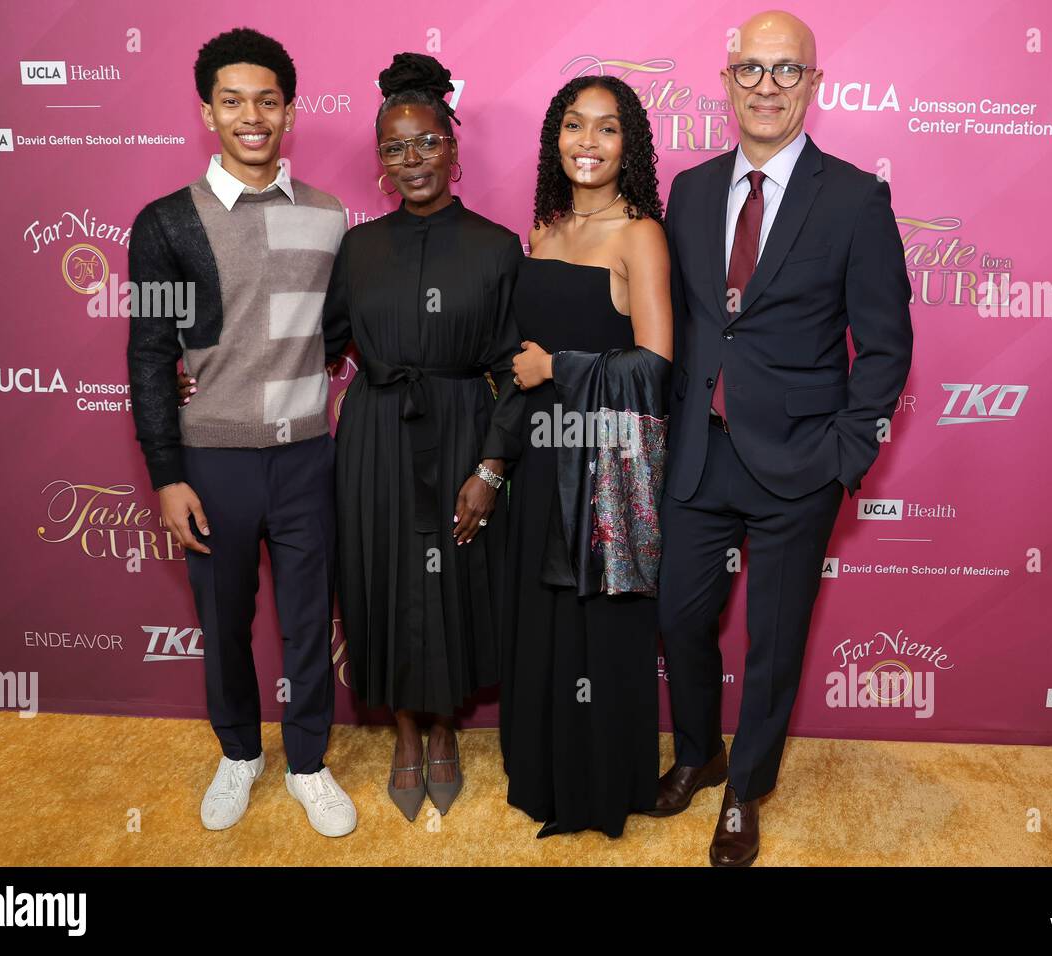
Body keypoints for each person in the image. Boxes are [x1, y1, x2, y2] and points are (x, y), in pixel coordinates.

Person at [651, 10, 914, 865]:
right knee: (679, 618)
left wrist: (845, 458)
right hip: (699, 451)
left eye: (786, 71)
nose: (767, 86)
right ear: (726, 83)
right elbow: (688, 327)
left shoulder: (855, 198)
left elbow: (886, 345)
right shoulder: (688, 190)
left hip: (800, 462)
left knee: (775, 642)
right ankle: (699, 749)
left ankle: (745, 787)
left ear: (813, 84)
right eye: (751, 70)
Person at [127, 27, 356, 837]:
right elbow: (151, 352)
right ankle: (238, 754)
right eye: (232, 101)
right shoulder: (163, 225)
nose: (250, 116)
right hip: (211, 462)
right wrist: (166, 473)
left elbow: (335, 331)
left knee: (307, 617)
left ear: (288, 112)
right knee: (222, 622)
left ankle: (308, 763)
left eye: (266, 100)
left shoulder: (330, 217)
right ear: (207, 112)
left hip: (305, 456)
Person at [322, 53, 525, 820]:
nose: (412, 160)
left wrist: (494, 465)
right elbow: (319, 344)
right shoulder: (359, 248)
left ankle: (445, 729)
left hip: (464, 432)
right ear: (381, 161)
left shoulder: (498, 248)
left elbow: (518, 367)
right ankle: (405, 733)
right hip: (375, 436)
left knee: (453, 582)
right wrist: (205, 365)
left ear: (453, 145)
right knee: (382, 579)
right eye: (395, 148)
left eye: (426, 142)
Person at [502, 75, 673, 838]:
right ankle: (545, 772)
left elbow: (655, 365)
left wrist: (558, 367)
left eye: (607, 130)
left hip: (605, 468)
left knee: (598, 626)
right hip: (541, 458)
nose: (589, 143)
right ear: (556, 138)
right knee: (542, 619)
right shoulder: (543, 229)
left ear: (628, 146)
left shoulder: (640, 233)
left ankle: (601, 783)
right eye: (575, 126)